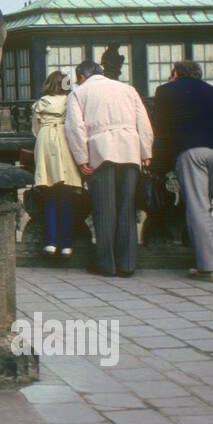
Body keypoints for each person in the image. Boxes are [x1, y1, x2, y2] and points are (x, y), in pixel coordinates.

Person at [64, 59, 153, 277]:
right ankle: (128, 264)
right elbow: (144, 122)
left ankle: (106, 263)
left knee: (104, 210)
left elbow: (75, 128)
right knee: (127, 208)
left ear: (81, 76)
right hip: (130, 150)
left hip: (101, 151)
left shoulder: (79, 92)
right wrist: (146, 151)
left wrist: (81, 158)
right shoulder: (127, 89)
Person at [153, 60, 213, 282]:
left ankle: (208, 267)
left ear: (175, 73)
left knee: (198, 206)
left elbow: (160, 127)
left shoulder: (165, 91)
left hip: (191, 149)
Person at [31, 70, 83, 257]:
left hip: (46, 140)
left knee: (50, 194)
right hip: (65, 140)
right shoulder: (71, 102)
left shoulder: (40, 103)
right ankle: (67, 244)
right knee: (67, 196)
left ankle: (51, 242)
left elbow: (35, 129)